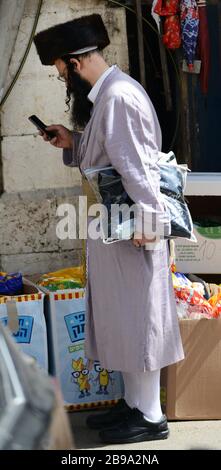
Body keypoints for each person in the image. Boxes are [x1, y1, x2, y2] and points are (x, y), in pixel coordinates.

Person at [34, 14, 184, 445]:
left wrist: (151, 226)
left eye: (61, 71)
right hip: (120, 228)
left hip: (135, 229)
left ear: (74, 63)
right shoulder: (112, 95)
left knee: (139, 320)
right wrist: (73, 141)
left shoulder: (117, 98)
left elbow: (136, 169)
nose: (62, 79)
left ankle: (151, 416)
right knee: (125, 319)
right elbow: (110, 154)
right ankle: (136, 405)